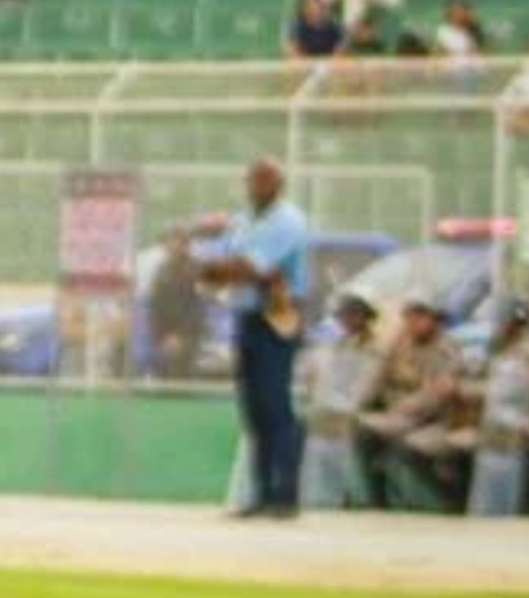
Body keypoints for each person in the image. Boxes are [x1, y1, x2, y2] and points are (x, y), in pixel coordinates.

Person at [190, 158, 311, 516]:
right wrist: (224, 269)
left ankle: (284, 494)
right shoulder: (243, 220)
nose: (256, 186)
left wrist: (228, 269)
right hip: (246, 315)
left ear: (279, 184)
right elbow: (215, 266)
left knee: (276, 406)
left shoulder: (288, 221)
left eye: (264, 180)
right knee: (253, 408)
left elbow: (252, 267)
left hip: (277, 316)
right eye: (253, 180)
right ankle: (259, 492)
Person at [357, 294, 468, 508]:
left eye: (419, 316)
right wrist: (358, 404)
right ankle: (377, 500)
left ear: (434, 319)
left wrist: (406, 406)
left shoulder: (446, 348)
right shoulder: (399, 344)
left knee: (408, 448)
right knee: (362, 430)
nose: (412, 323)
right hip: (403, 416)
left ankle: (451, 500)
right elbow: (374, 379)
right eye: (408, 317)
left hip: (437, 419)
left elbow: (438, 393)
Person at [296, 290, 381, 510]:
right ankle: (315, 496)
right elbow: (309, 375)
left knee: (337, 431)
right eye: (344, 315)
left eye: (354, 315)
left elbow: (366, 389)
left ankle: (349, 497)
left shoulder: (373, 350)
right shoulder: (327, 344)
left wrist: (346, 407)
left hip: (354, 411)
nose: (348, 320)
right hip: (324, 408)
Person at [463, 298, 529, 518]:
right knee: (483, 511)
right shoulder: (499, 351)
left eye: (499, 322)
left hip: (513, 442)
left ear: (514, 325)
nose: (495, 328)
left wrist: (464, 389)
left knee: (505, 515)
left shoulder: (526, 355)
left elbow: (503, 392)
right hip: (492, 439)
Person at [141, 223, 207, 379]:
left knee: (180, 377)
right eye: (168, 241)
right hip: (163, 337)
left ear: (186, 244)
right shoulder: (161, 269)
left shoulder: (196, 269)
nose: (171, 245)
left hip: (187, 337)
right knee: (163, 376)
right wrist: (160, 337)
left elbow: (197, 307)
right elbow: (154, 306)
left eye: (176, 241)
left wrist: (181, 336)